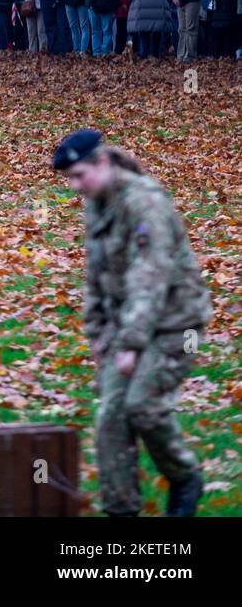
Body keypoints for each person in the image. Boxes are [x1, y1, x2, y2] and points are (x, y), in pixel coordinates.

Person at [52, 130, 211, 517]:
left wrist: (133, 343)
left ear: (103, 163)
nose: (75, 187)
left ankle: (185, 476)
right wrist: (100, 336)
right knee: (110, 418)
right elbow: (97, 276)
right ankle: (121, 509)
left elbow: (150, 275)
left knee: (143, 406)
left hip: (178, 325)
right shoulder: (98, 202)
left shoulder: (145, 203)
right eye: (69, 179)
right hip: (129, 326)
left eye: (79, 176)